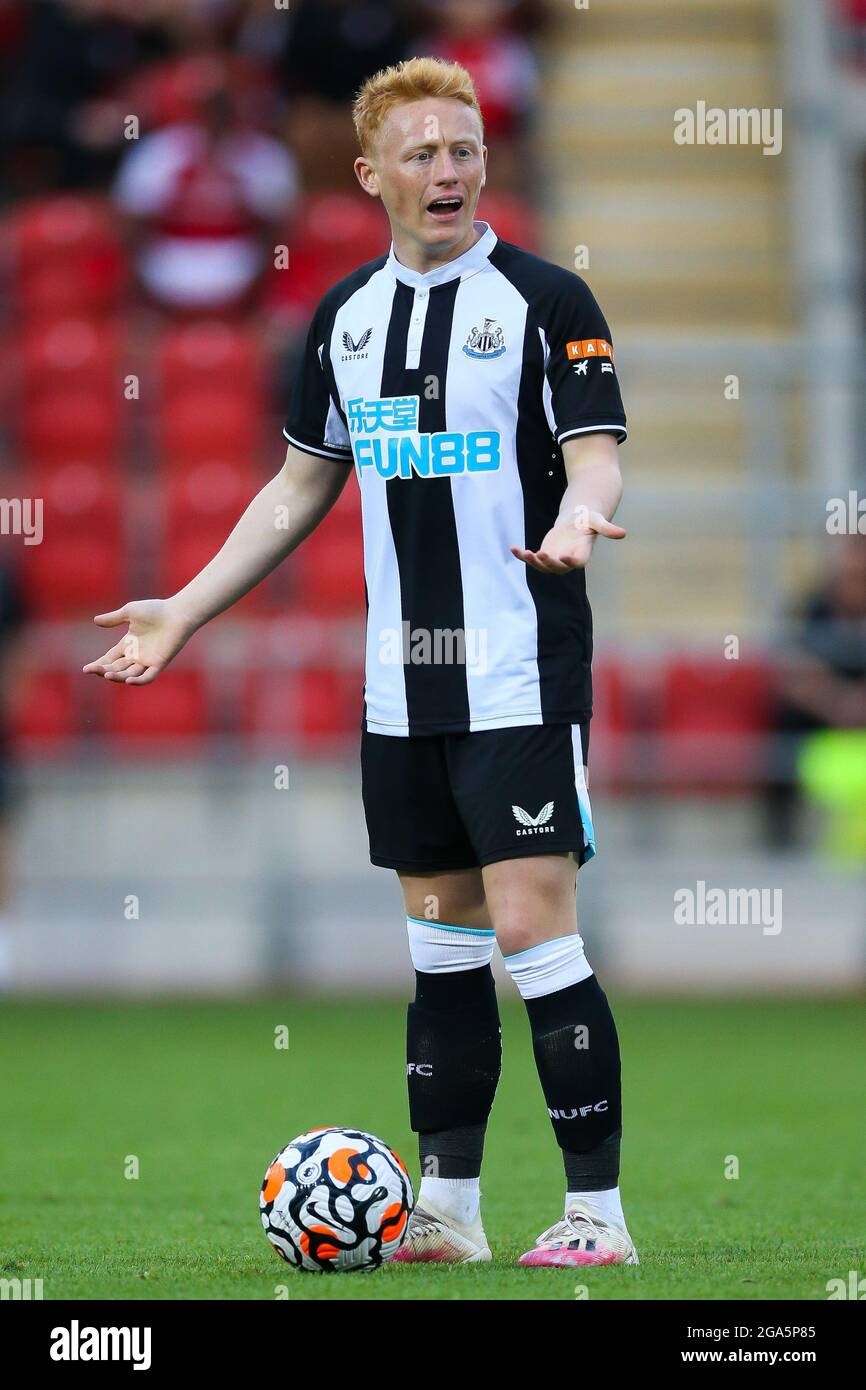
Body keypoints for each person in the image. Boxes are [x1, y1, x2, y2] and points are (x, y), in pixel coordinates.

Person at [83, 56, 637, 1268]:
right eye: (421, 152)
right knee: (440, 952)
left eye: (464, 148)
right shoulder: (341, 319)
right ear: (369, 173)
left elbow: (594, 451)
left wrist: (578, 512)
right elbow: (297, 488)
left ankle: (597, 1216)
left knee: (533, 933)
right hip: (403, 687)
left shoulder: (547, 300)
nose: (448, 169)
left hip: (517, 668)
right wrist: (183, 611)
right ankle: (449, 1210)